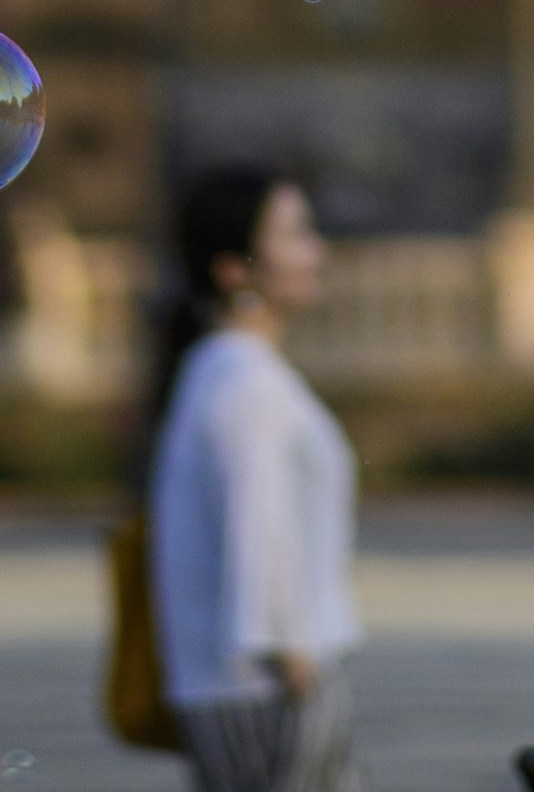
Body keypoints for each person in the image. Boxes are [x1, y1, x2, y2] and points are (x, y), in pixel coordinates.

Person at [146, 167, 359, 792]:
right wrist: (289, 650)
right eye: (295, 236)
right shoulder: (245, 380)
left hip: (241, 679)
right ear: (234, 269)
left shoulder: (223, 367)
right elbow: (258, 520)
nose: (315, 253)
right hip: (268, 681)